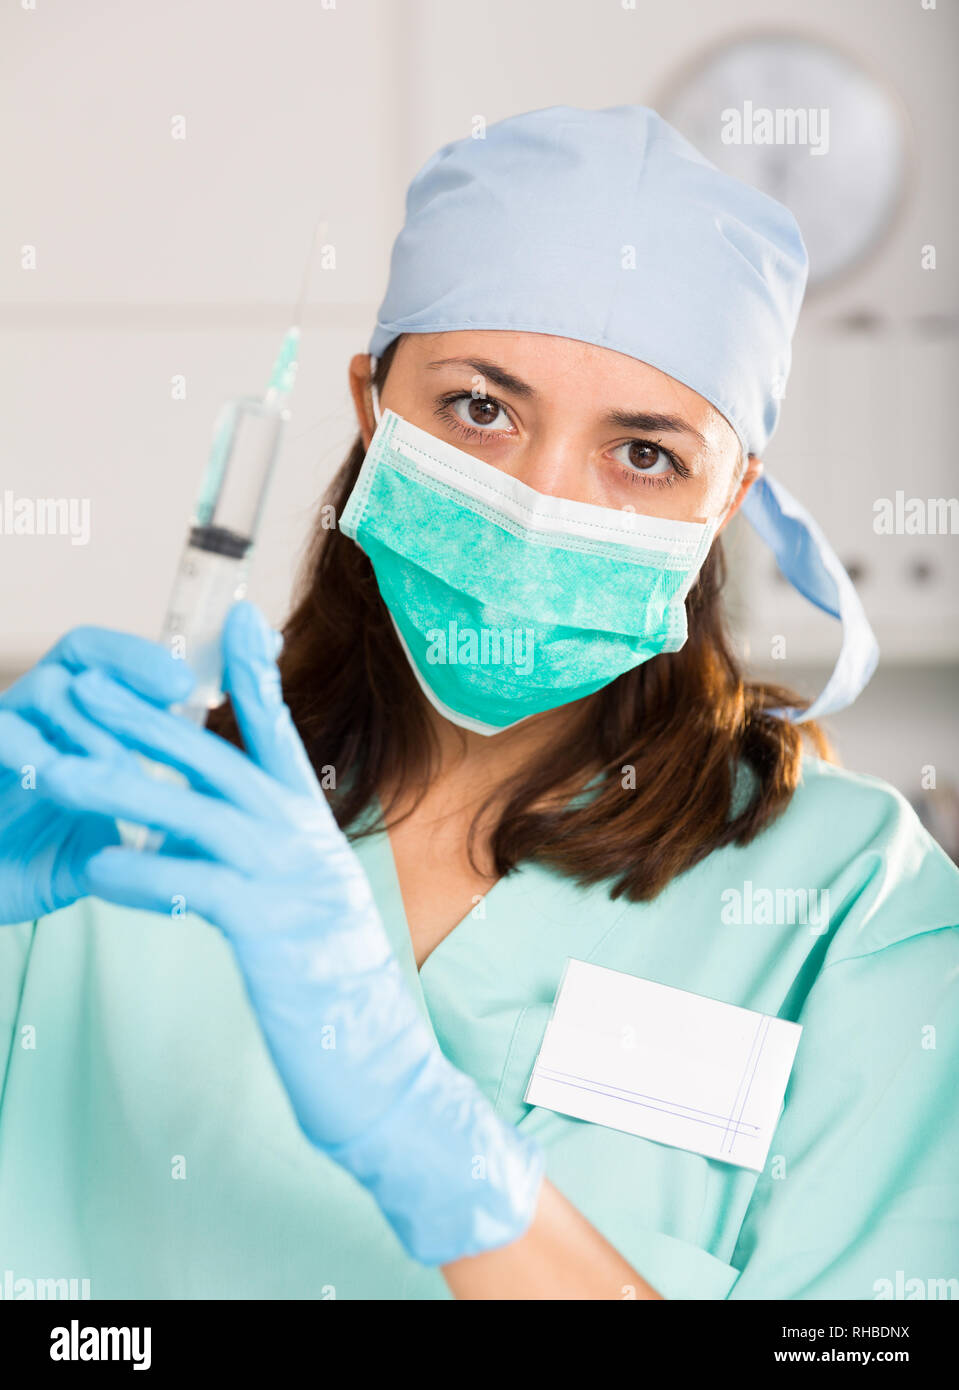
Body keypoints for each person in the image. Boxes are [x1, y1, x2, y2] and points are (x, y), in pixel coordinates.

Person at [1, 106, 957, 1302]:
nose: (539, 502)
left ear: (729, 495)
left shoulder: (854, 912)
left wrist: (441, 1158)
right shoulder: (116, 821)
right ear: (371, 407)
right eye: (480, 408)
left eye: (645, 453)